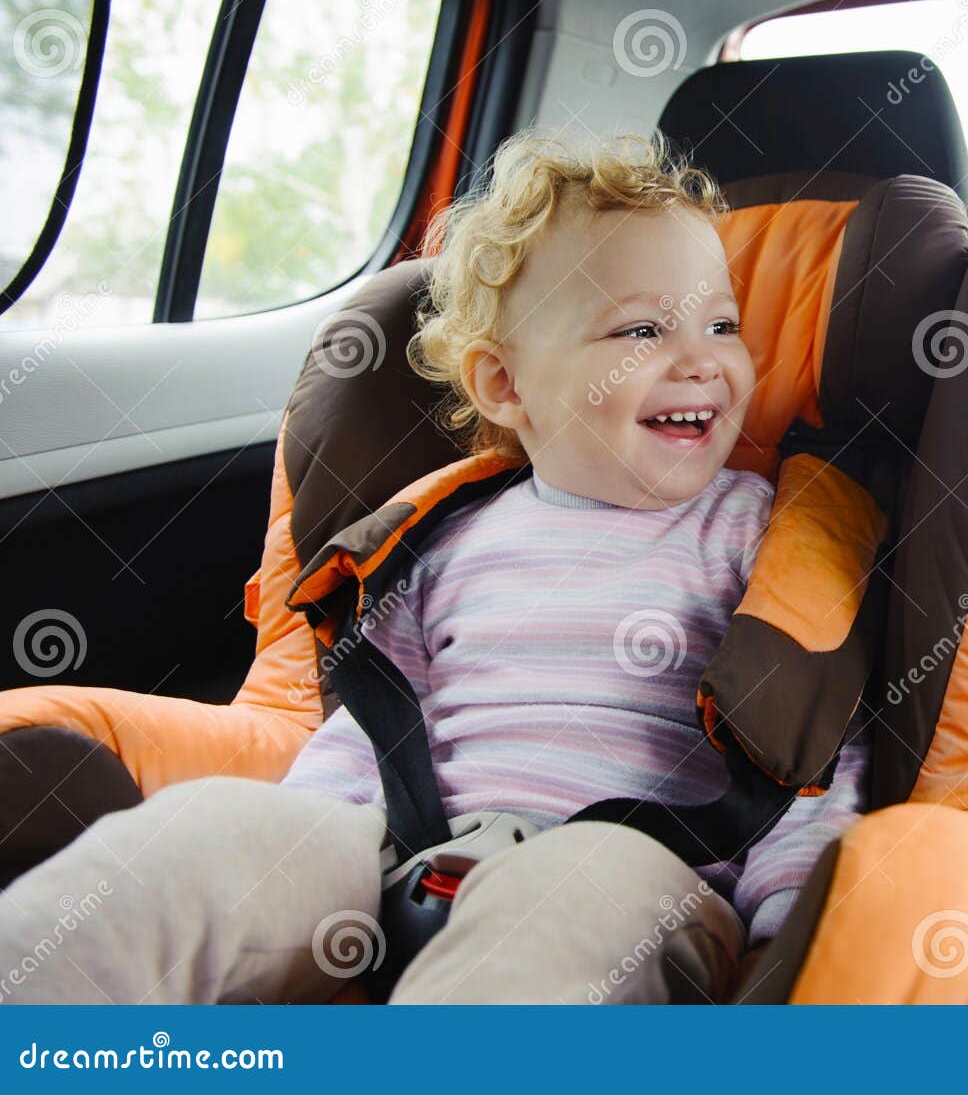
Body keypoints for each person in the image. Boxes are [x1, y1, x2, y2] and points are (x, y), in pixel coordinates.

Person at [0, 131, 870, 1005]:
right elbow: (372, 721)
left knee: (562, 903)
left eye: (722, 323)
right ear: (505, 386)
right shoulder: (443, 533)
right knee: (202, 833)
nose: (702, 358)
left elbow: (804, 736)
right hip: (408, 847)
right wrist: (295, 838)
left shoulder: (761, 530)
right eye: (643, 328)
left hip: (645, 873)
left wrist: (793, 925)